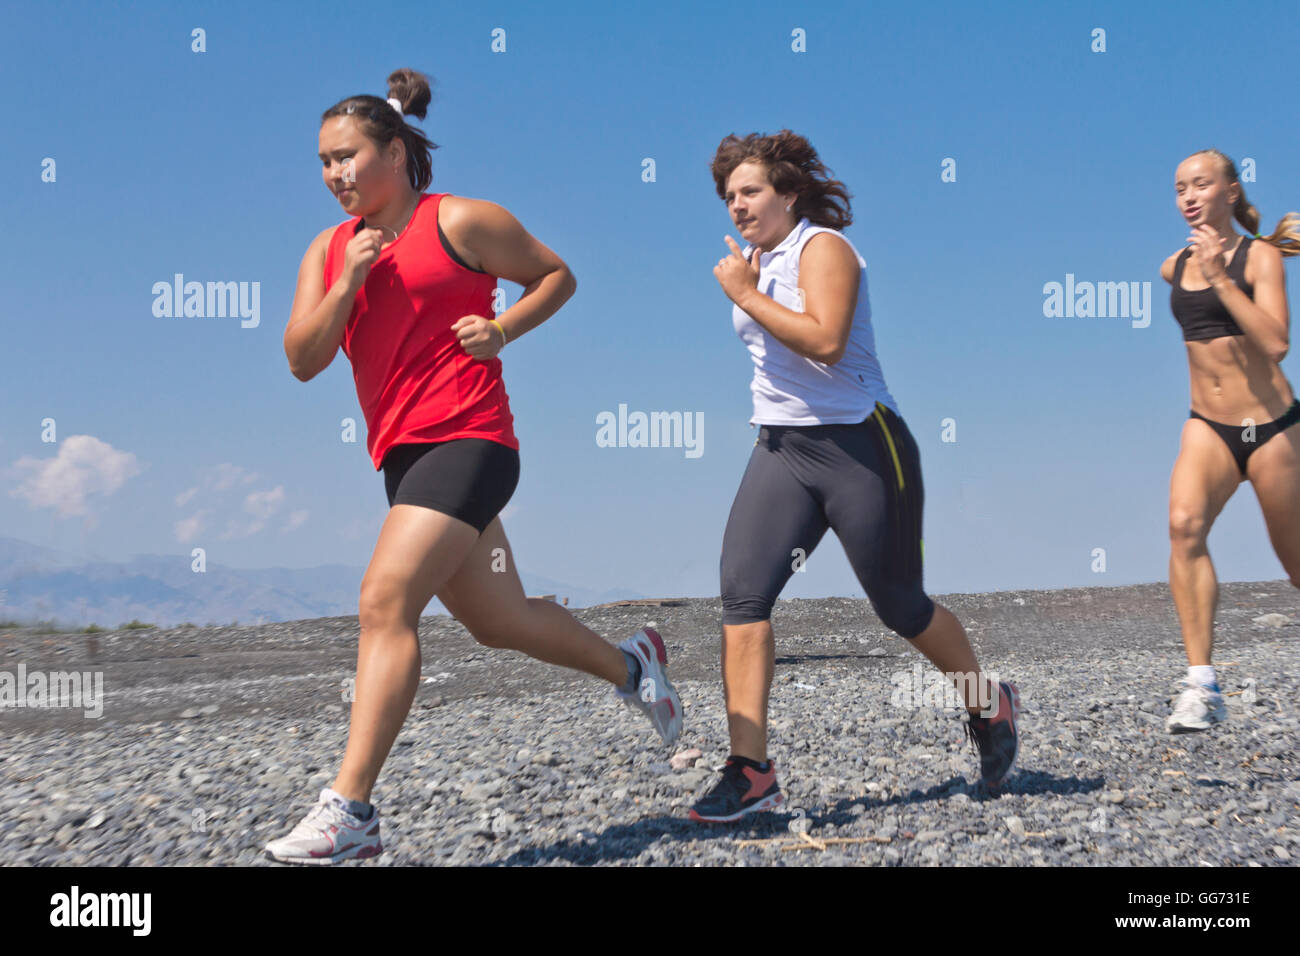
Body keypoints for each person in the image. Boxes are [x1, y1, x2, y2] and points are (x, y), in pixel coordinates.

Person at [265, 69, 682, 864]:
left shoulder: (459, 219)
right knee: (500, 621)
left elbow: (556, 274)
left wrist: (505, 332)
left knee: (385, 599)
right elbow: (301, 359)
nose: (334, 174)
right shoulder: (326, 252)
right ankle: (632, 665)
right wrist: (349, 280)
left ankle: (350, 811)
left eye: (347, 156)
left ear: (393, 151)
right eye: (322, 161)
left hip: (472, 440)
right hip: (404, 455)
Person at [689, 130, 1019, 823]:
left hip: (863, 447)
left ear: (788, 192)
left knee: (900, 605)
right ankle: (750, 770)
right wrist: (749, 288)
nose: (737, 206)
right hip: (780, 451)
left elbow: (826, 340)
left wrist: (747, 296)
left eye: (750, 191)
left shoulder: (824, 249)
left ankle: (988, 704)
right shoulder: (754, 259)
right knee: (743, 596)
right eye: (728, 197)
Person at [1161, 149, 1299, 733]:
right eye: (1179, 188)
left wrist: (1219, 275)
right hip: (1209, 426)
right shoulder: (1172, 266)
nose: (1189, 196)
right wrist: (1201, 270)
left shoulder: (1260, 257)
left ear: (1230, 192)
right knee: (1184, 526)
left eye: (1201, 184)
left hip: (1271, 428)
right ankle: (1202, 685)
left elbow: (1275, 343)